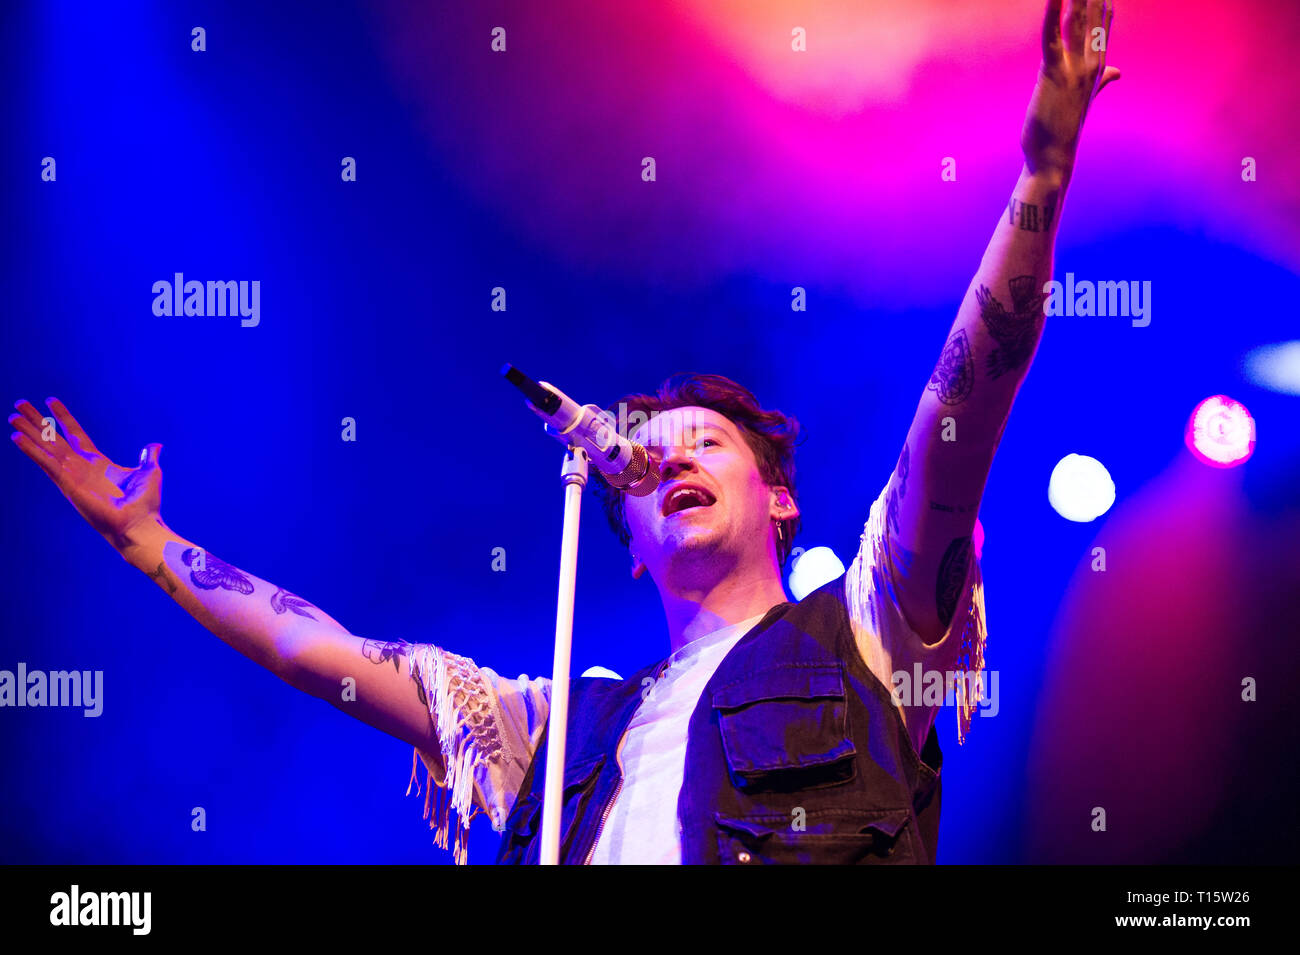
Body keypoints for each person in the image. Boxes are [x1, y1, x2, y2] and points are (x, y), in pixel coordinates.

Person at [8, 0, 1118, 864]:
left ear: (780, 496)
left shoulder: (866, 633)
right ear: (623, 533)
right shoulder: (561, 719)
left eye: (707, 441)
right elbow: (325, 655)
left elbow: (958, 415)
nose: (673, 454)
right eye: (651, 449)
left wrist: (1041, 176)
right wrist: (148, 545)